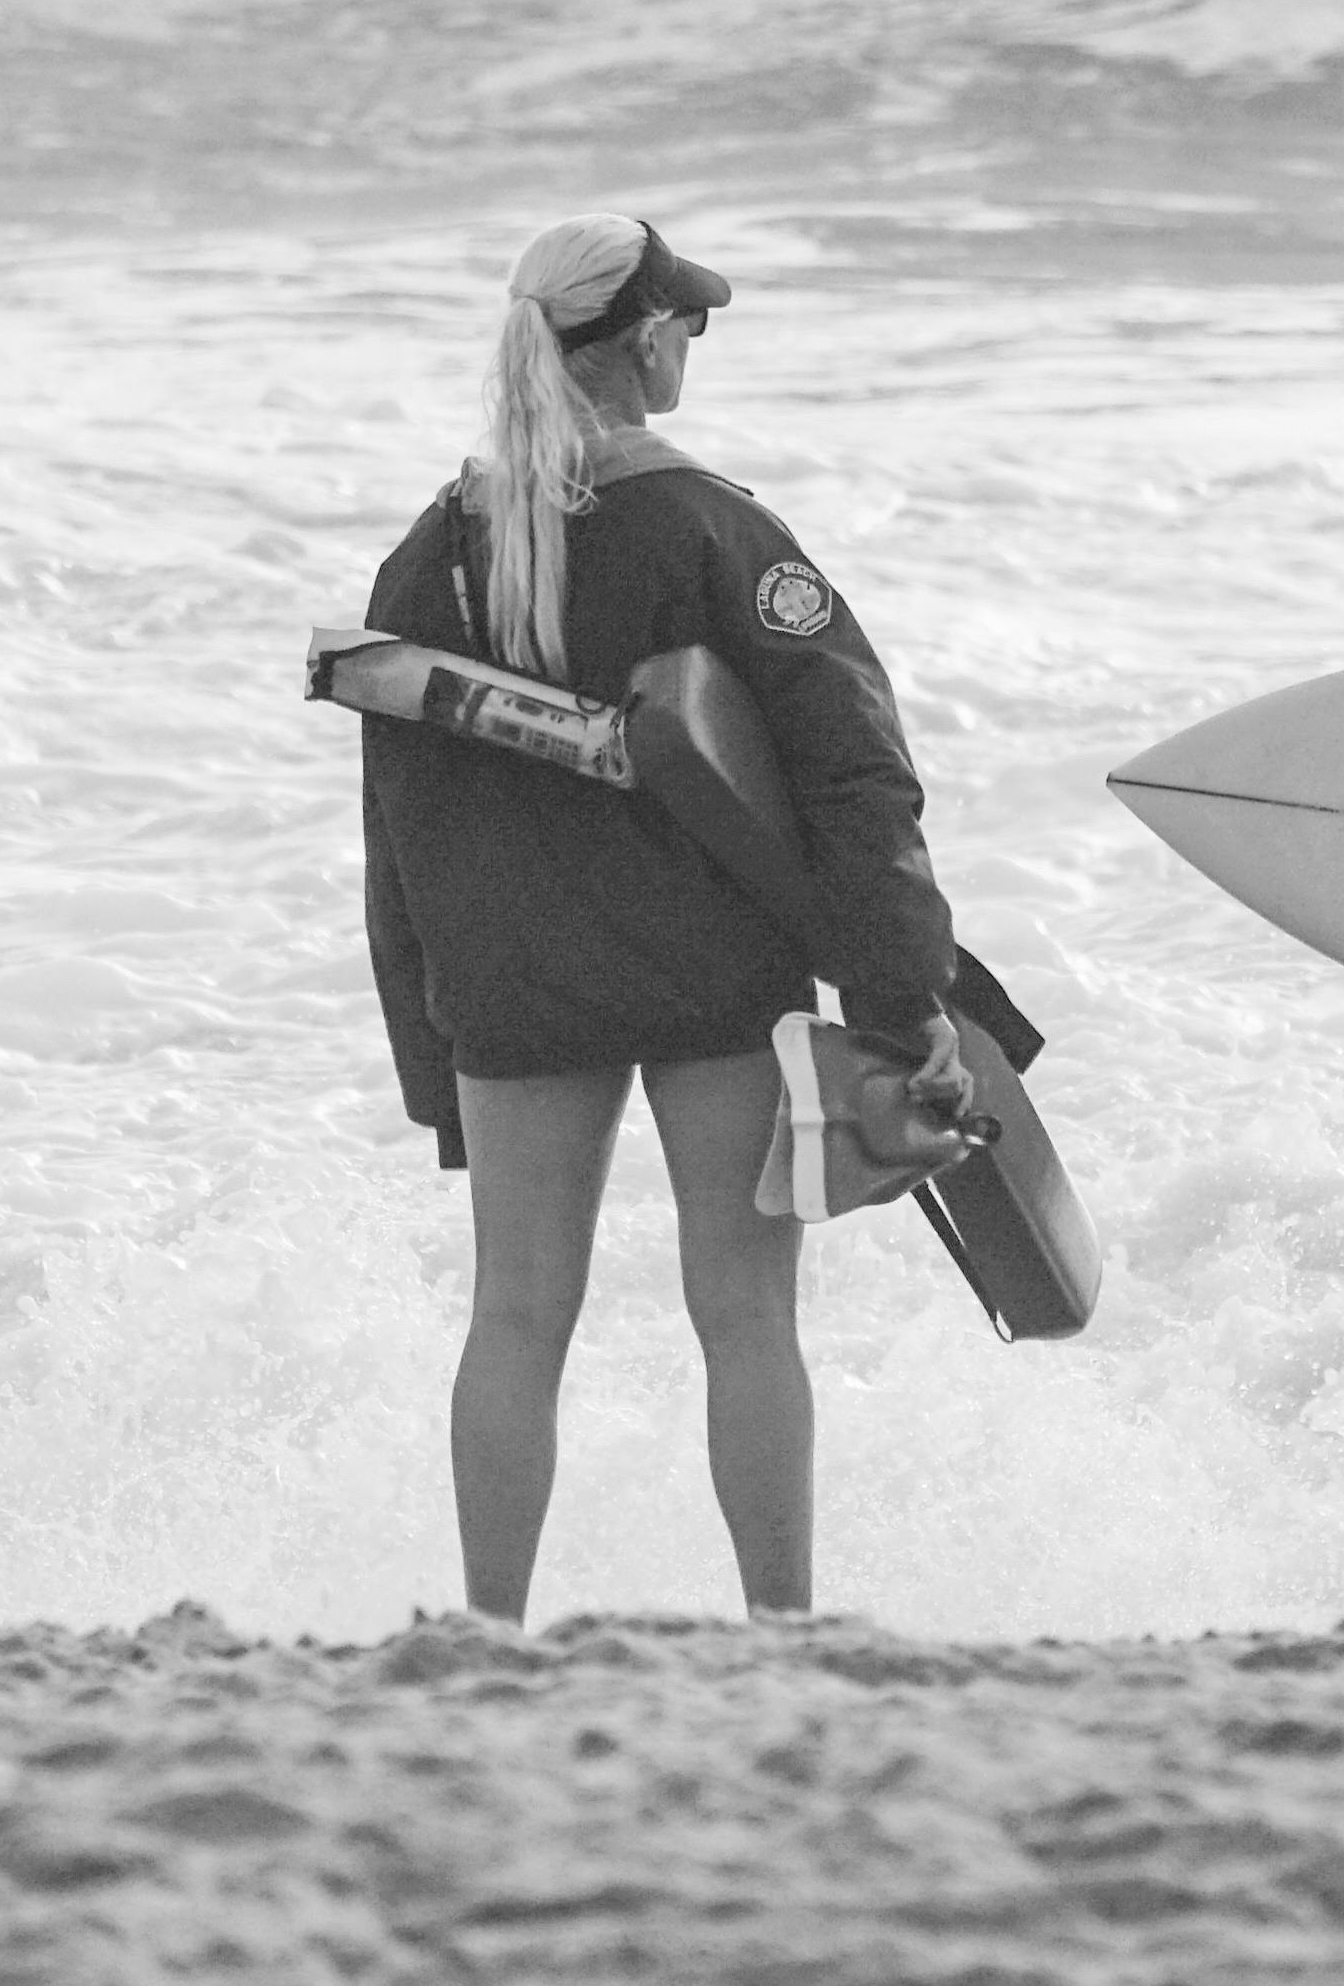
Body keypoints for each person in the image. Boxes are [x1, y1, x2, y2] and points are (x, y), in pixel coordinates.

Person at [357, 212, 977, 1622]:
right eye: (685, 322)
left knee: (514, 1317)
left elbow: (399, 834)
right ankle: (780, 1627)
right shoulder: (712, 528)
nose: (692, 340)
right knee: (747, 1317)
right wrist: (902, 995)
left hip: (514, 989)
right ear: (645, 341)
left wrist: (435, 1041)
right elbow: (854, 773)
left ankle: (488, 1631)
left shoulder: (433, 555)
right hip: (713, 977)